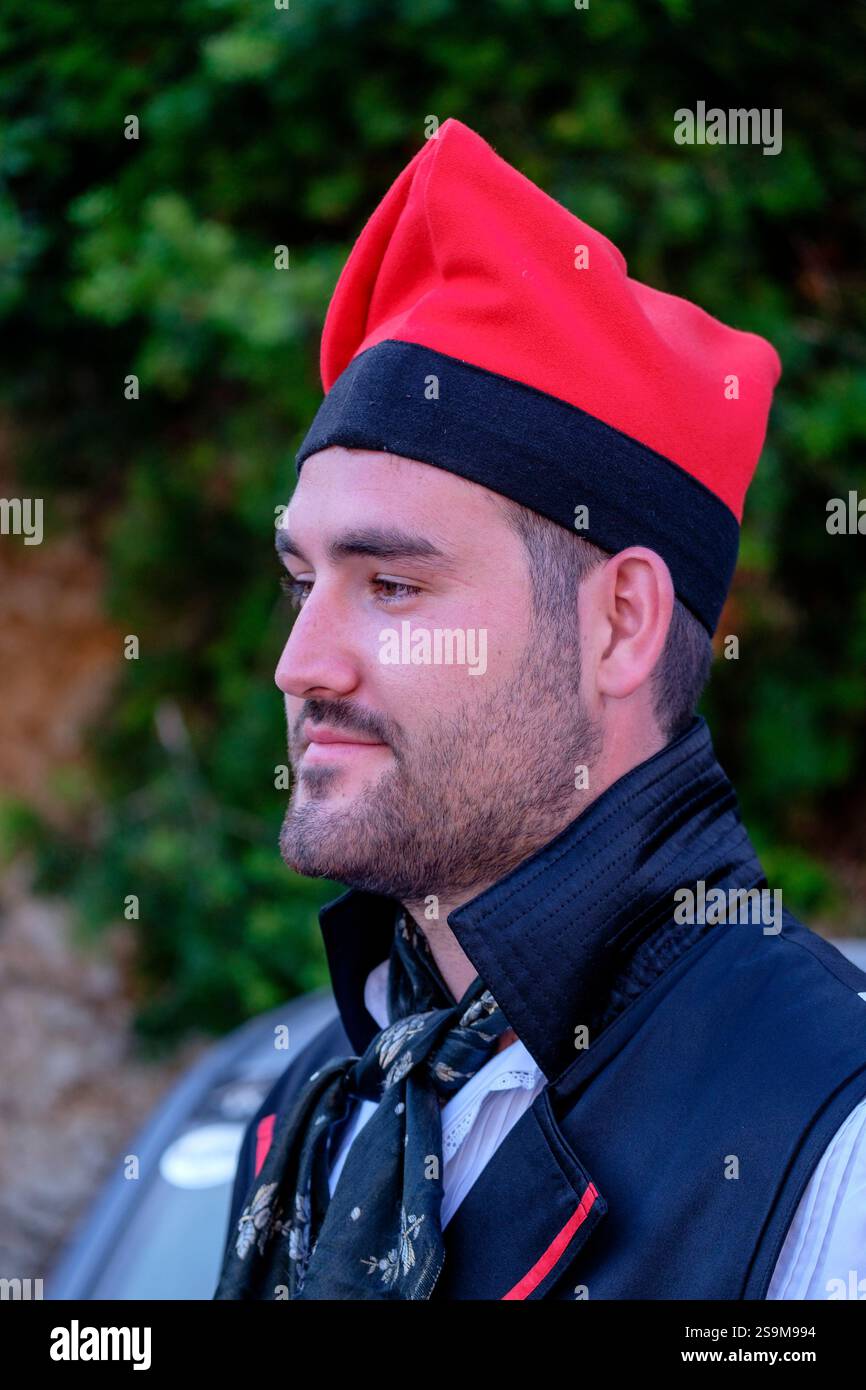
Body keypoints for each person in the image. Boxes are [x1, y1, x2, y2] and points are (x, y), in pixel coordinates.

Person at [213, 119, 866, 1301]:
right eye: (302, 583)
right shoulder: (317, 1099)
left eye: (393, 585)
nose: (298, 664)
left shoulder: (830, 1134)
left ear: (617, 622)